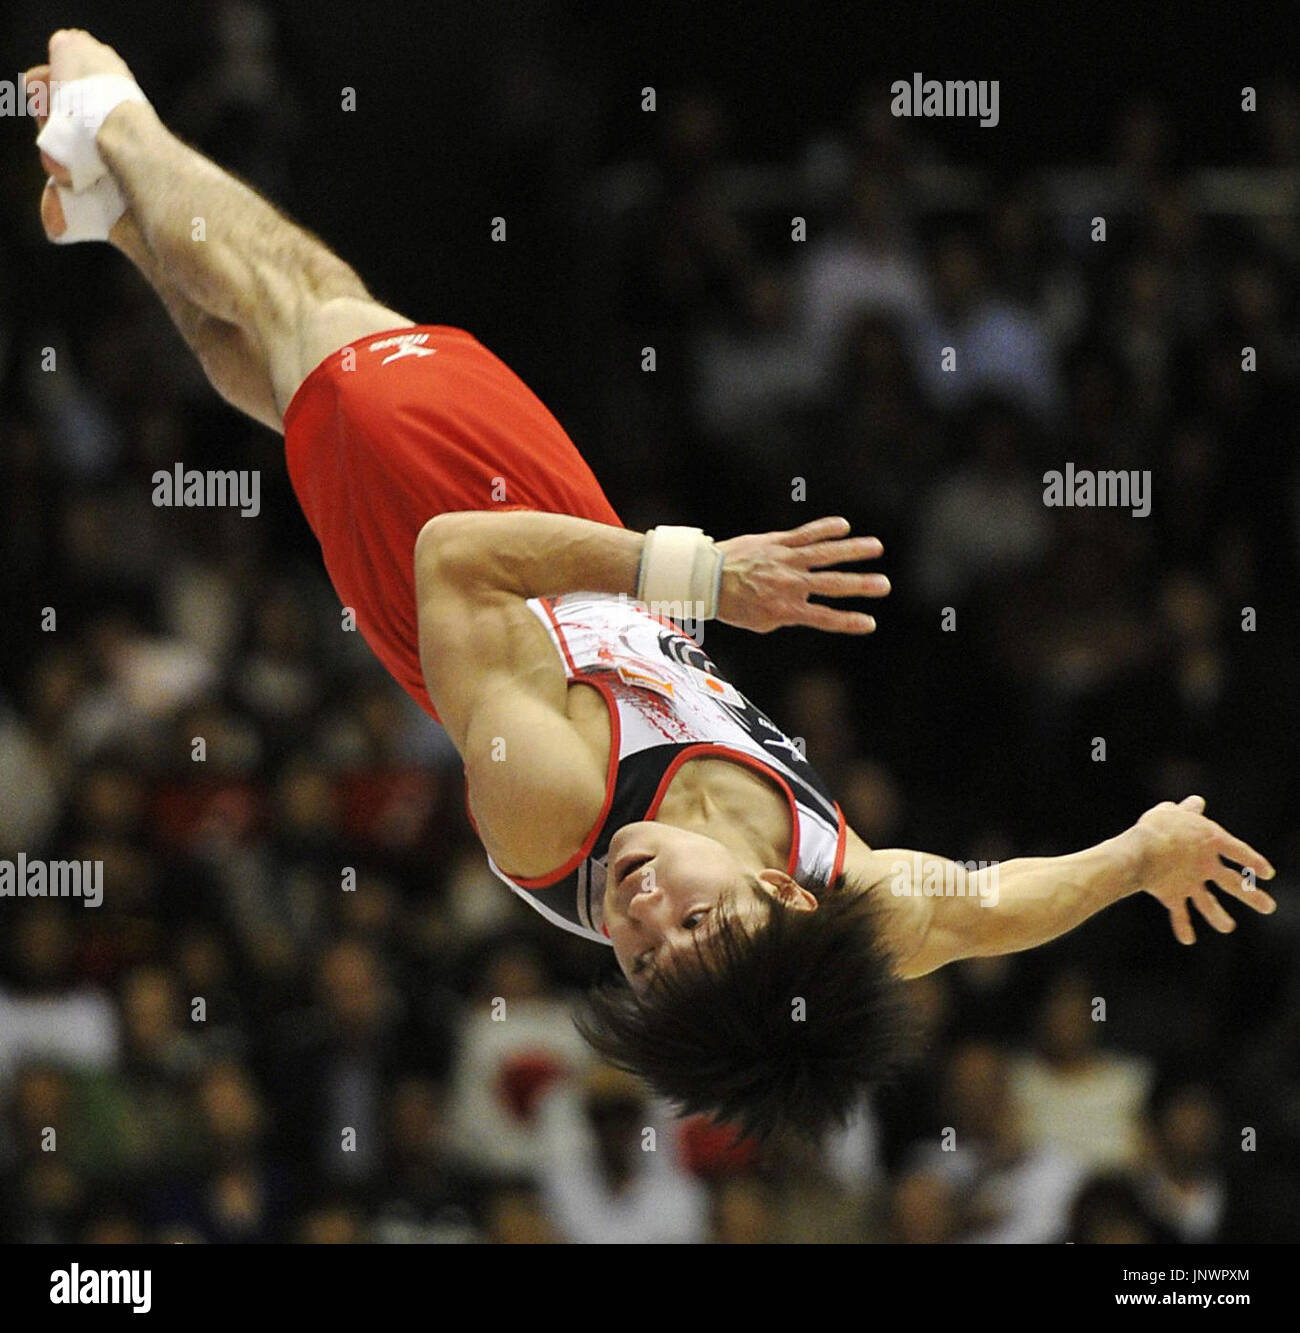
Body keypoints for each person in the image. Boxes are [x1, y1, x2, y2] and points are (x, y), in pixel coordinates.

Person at [26, 28, 1279, 1143]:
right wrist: (1135, 852)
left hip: (471, 561)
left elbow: (455, 555)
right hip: (563, 546)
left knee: (309, 308)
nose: (643, 918)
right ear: (791, 899)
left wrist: (693, 571)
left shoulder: (555, 808)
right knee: (292, 378)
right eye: (700, 930)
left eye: (642, 959)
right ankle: (116, 219)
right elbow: (996, 906)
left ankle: (111, 116)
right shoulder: (859, 912)